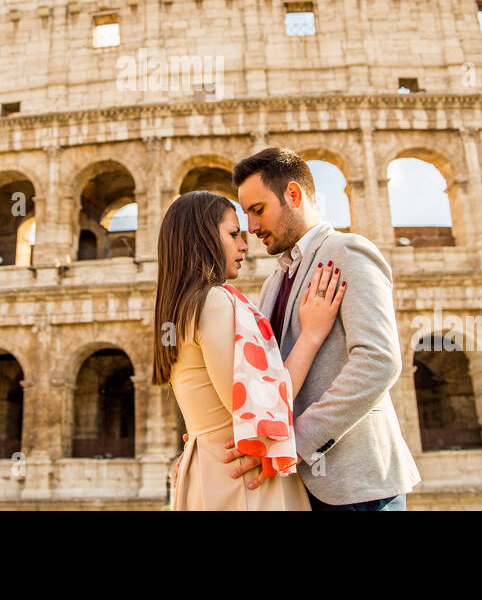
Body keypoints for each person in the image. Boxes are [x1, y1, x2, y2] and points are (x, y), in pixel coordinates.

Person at [223, 147, 421, 511]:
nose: (252, 227)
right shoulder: (272, 283)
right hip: (297, 487)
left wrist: (297, 442)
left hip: (357, 484)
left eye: (258, 210)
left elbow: (378, 361)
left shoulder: (349, 251)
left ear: (294, 195)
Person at [152, 190, 345, 509]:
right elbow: (257, 404)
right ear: (202, 238)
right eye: (233, 234)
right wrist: (311, 335)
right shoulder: (213, 301)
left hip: (211, 471)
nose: (244, 245)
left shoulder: (178, 308)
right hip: (244, 481)